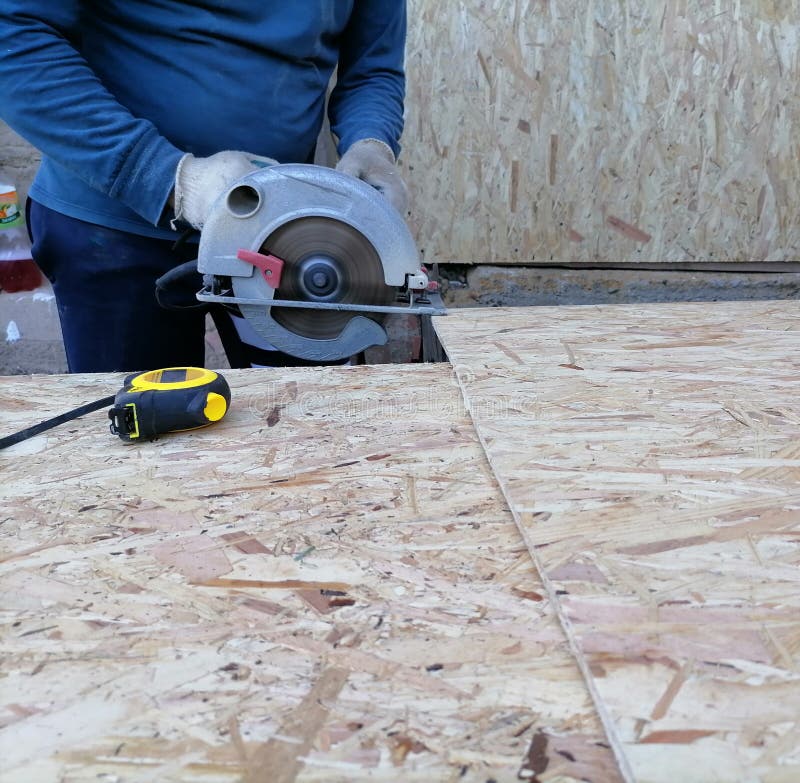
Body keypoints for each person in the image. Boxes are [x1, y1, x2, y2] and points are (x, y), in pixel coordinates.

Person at [0, 2, 409, 372]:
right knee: (148, 434)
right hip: (114, 227)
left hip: (281, 231)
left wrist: (371, 142)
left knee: (298, 424)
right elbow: (13, 33)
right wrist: (164, 175)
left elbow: (372, 69)